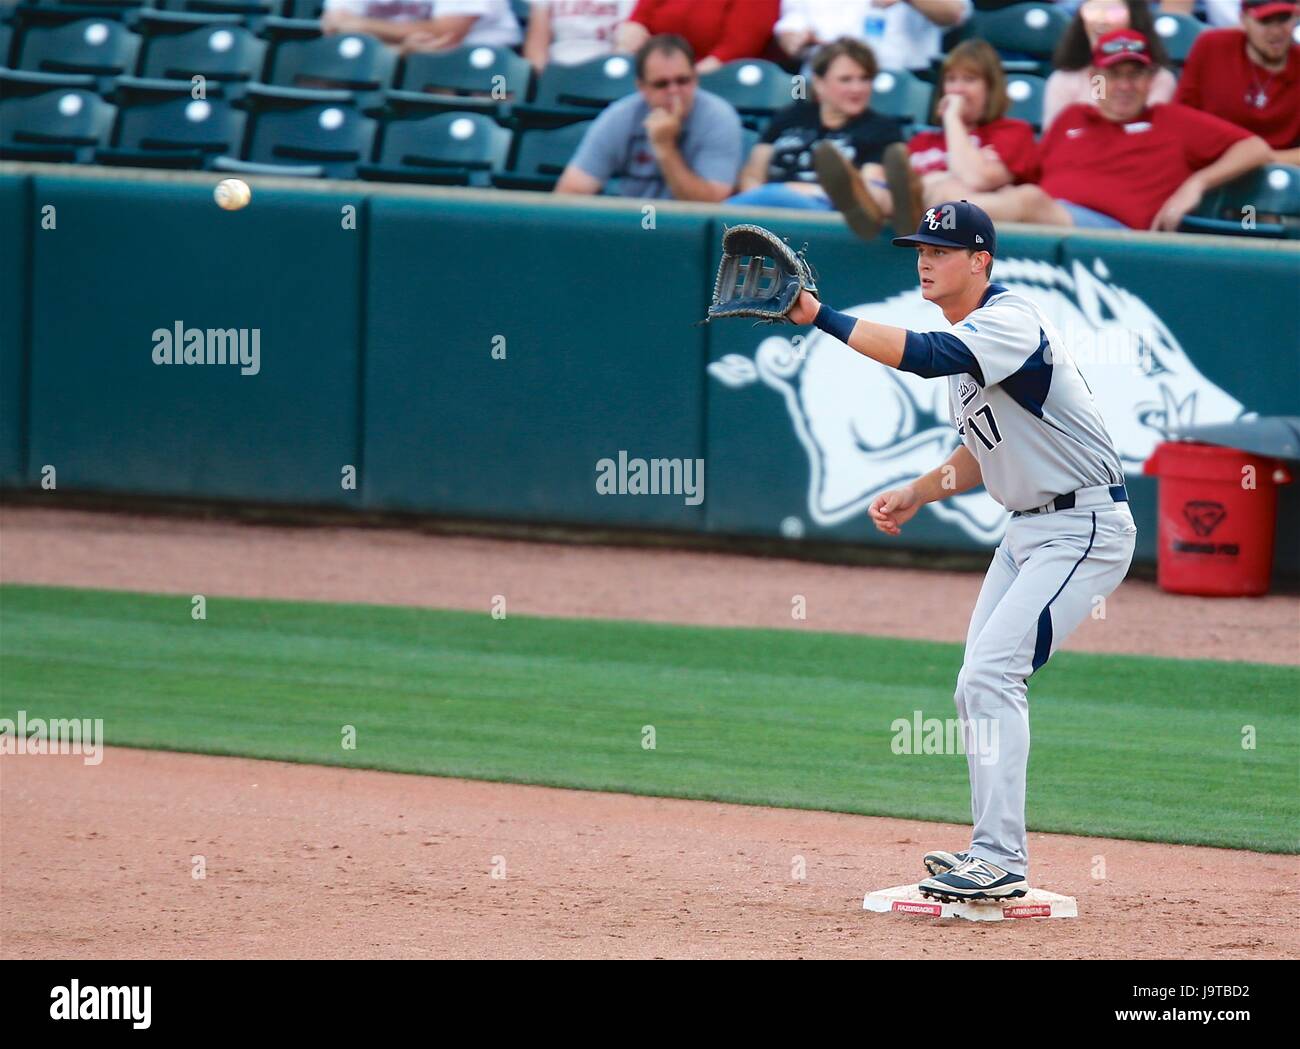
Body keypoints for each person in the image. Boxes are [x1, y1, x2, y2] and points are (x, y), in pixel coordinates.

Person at [785, 201, 1137, 902]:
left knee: (991, 675)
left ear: (981, 260)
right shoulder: (972, 343)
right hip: (1029, 533)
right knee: (975, 680)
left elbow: (920, 356)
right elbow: (982, 452)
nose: (924, 259)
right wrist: (919, 490)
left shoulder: (1009, 320)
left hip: (1085, 526)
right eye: (920, 248)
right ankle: (988, 848)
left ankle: (1002, 857)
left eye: (941, 250)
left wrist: (819, 315)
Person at [1028, 28, 1273, 229]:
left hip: (1113, 238)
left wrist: (1196, 183)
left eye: (1135, 75)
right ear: (1095, 78)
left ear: (1150, 80)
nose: (1125, 85)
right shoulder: (1072, 117)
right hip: (1045, 228)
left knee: (1028, 201)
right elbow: (1032, 172)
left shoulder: (1171, 120)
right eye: (1113, 75)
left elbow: (1256, 148)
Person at [729, 38, 901, 224]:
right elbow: (752, 175)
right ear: (819, 83)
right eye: (846, 79)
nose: (857, 88)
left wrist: (796, 190)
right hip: (768, 210)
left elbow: (867, 191)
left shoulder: (883, 130)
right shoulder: (790, 116)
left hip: (830, 217)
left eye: (865, 79)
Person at [554, 34, 743, 201]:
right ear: (642, 87)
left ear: (695, 78)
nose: (674, 91)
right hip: (631, 224)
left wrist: (665, 147)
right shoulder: (620, 116)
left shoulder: (719, 118)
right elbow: (572, 190)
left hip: (688, 232)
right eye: (661, 84)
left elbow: (712, 203)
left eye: (683, 80)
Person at [897, 40, 1038, 236]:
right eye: (951, 79)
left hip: (976, 237)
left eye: (969, 79)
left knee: (950, 192)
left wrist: (953, 118)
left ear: (990, 88)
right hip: (912, 230)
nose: (957, 90)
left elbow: (976, 179)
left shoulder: (1012, 132)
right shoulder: (923, 141)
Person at [1176, 0, 1300, 164]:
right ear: (1244, 20)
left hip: (1282, 174)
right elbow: (1180, 122)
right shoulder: (1212, 47)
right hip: (1211, 165)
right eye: (1265, 21)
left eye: (1283, 19)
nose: (1276, 31)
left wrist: (1251, 161)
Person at [1042, 0, 1176, 132]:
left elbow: (1152, 137)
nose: (1101, 21)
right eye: (1093, 10)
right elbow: (1055, 143)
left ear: (1134, 16)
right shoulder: (1063, 80)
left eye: (1113, 12)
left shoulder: (1159, 79)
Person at [774, 0, 971, 74]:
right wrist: (792, 38)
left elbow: (956, 12)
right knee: (793, 90)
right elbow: (792, 20)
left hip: (896, 80)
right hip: (817, 76)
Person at [614, 0, 779, 75]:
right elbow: (638, 20)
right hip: (655, 72)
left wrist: (682, 79)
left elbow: (737, 47)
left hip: (715, 79)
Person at [320, 0, 521, 54]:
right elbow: (335, 28)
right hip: (406, 59)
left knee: (500, 103)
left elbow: (446, 34)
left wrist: (361, 24)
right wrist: (399, 52)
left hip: (495, 67)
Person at [523, 0, 636, 71]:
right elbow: (536, 47)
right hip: (557, 69)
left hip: (605, 68)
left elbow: (626, 45)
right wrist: (544, 78)